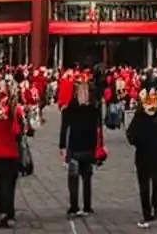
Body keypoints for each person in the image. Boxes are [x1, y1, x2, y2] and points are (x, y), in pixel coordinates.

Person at [127, 88, 157, 229]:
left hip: (142, 154)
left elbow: (131, 137)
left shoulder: (139, 118)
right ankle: (156, 209)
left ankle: (147, 212)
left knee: (144, 183)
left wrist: (139, 142)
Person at [59, 78, 102, 218]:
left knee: (73, 178)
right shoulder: (94, 108)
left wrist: (62, 146)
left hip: (75, 147)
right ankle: (87, 206)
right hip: (89, 146)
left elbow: (64, 128)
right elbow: (98, 128)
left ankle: (74, 206)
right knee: (87, 177)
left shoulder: (71, 108)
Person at [0, 81, 25, 229]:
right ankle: (9, 213)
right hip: (11, 151)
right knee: (10, 184)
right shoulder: (15, 109)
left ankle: (1, 211)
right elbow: (18, 131)